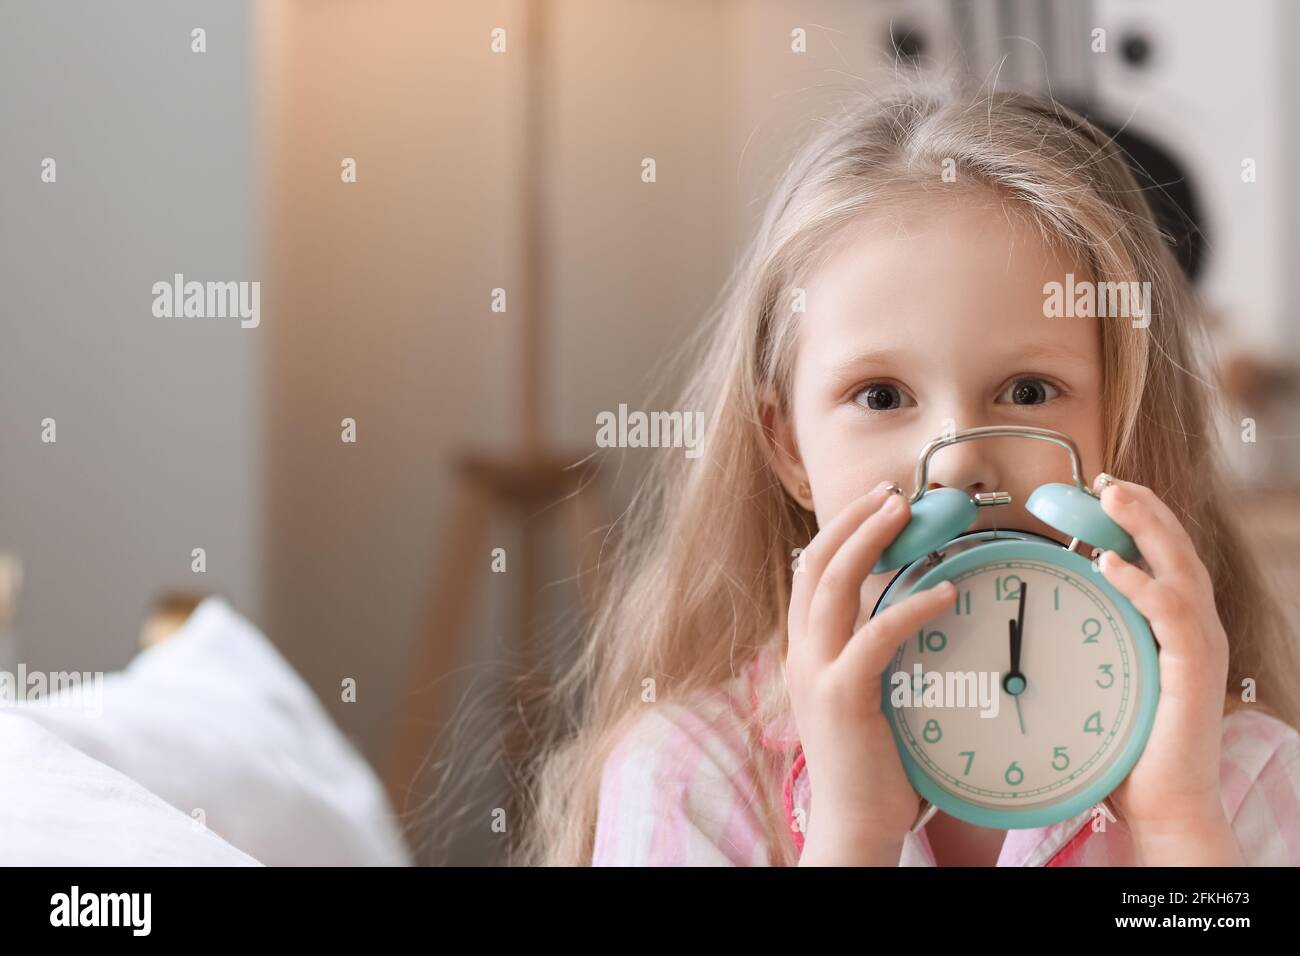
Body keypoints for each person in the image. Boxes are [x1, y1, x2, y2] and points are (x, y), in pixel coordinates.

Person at [516, 78, 1300, 866]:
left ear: (1133, 423)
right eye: (882, 396)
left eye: (1029, 391)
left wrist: (1179, 824)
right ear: (787, 448)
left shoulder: (1240, 775)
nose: (957, 458)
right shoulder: (695, 774)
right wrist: (853, 832)